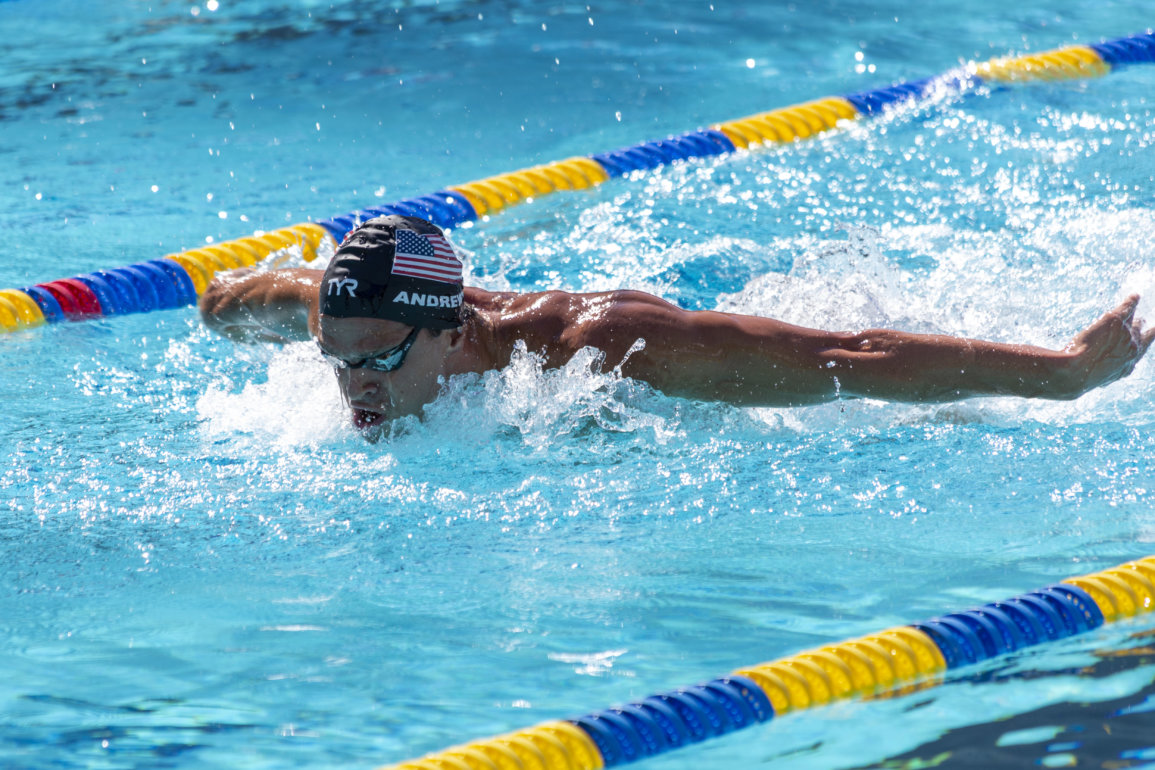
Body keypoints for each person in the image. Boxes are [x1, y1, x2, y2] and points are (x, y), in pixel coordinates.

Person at [199, 214, 1154, 437]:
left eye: (377, 361)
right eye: (334, 360)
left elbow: (845, 360)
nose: (351, 388)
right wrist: (218, 302)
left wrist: (1065, 370)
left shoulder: (600, 350)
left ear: (451, 334)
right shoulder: (342, 316)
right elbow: (243, 298)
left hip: (732, 351)